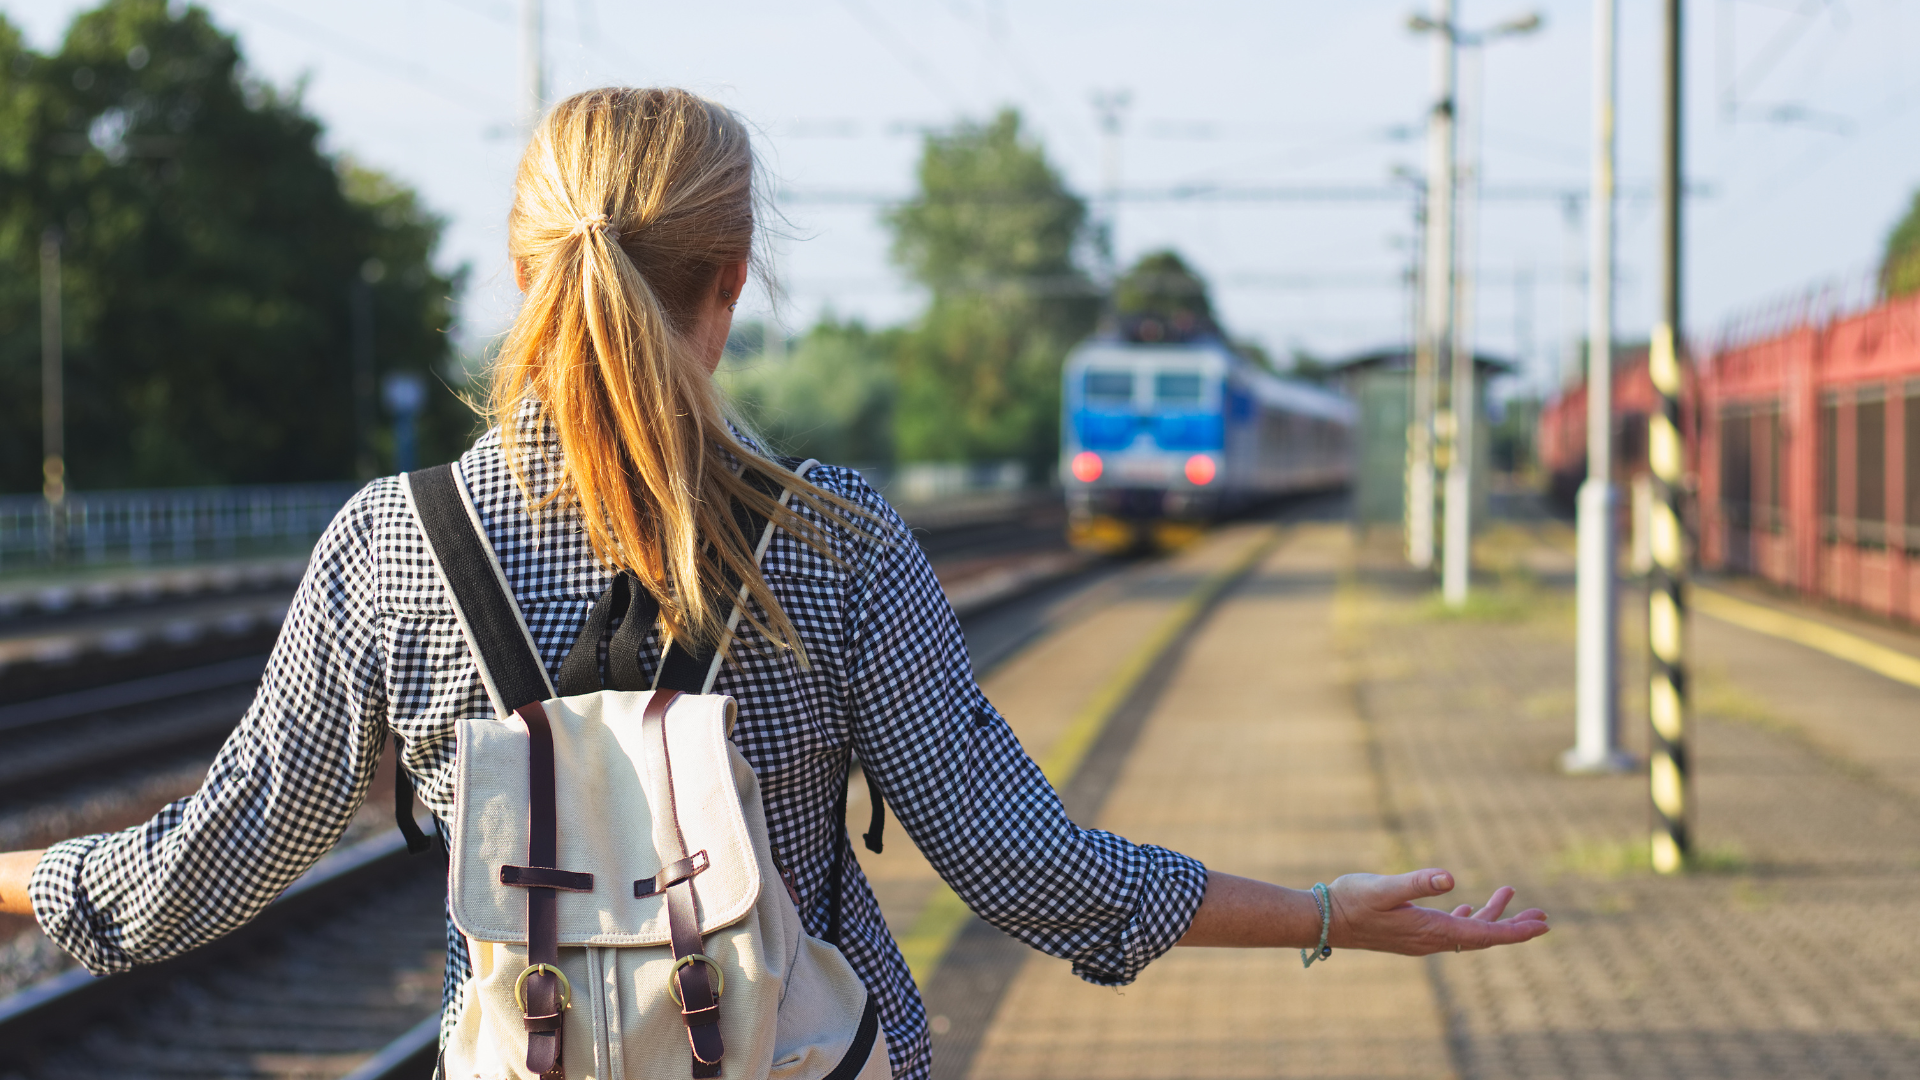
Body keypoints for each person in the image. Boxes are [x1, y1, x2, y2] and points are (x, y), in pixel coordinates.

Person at [0, 87, 1546, 1079]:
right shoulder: (838, 541)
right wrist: (1331, 917)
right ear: (729, 284)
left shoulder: (387, 551)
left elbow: (191, 879)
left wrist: (12, 878)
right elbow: (1035, 876)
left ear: (526, 277)